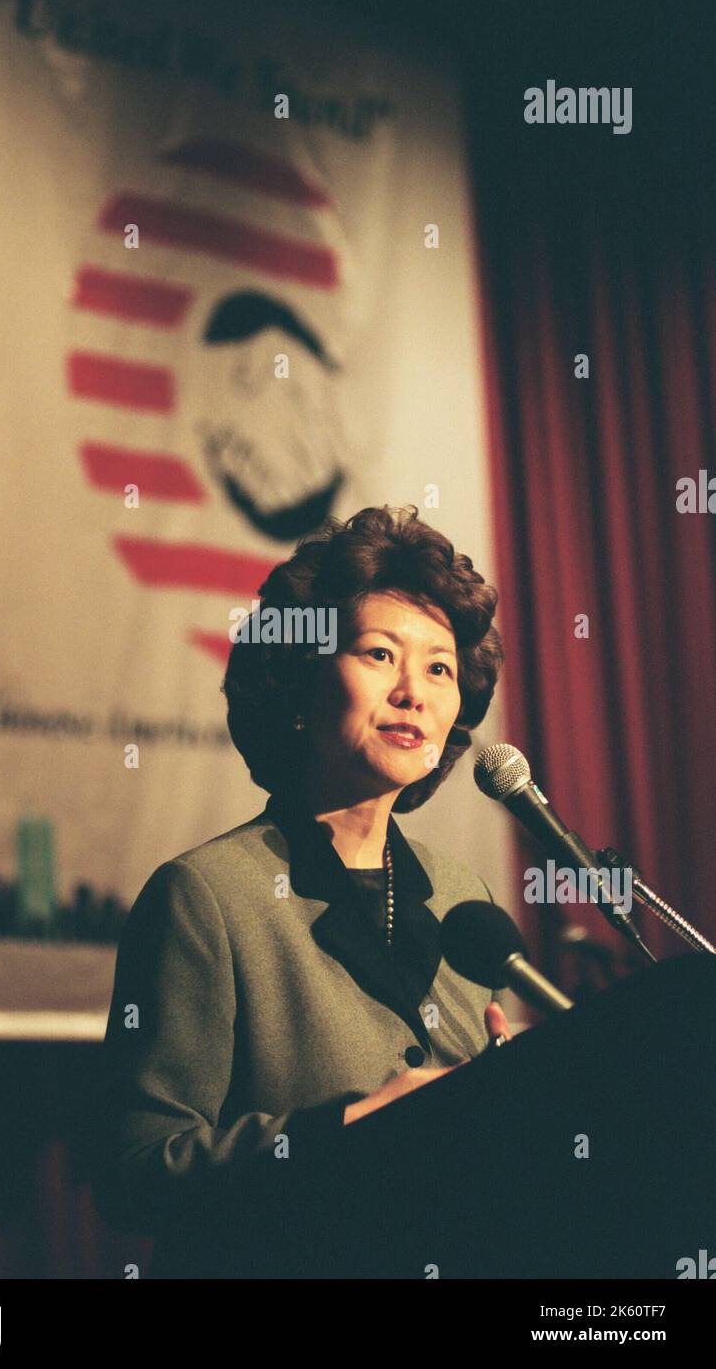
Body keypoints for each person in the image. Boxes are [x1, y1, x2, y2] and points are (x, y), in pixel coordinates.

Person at [92, 504, 511, 1277]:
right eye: (380, 654)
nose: (413, 691)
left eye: (440, 668)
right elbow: (135, 1175)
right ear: (299, 680)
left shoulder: (463, 898)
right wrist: (350, 1126)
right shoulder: (206, 897)